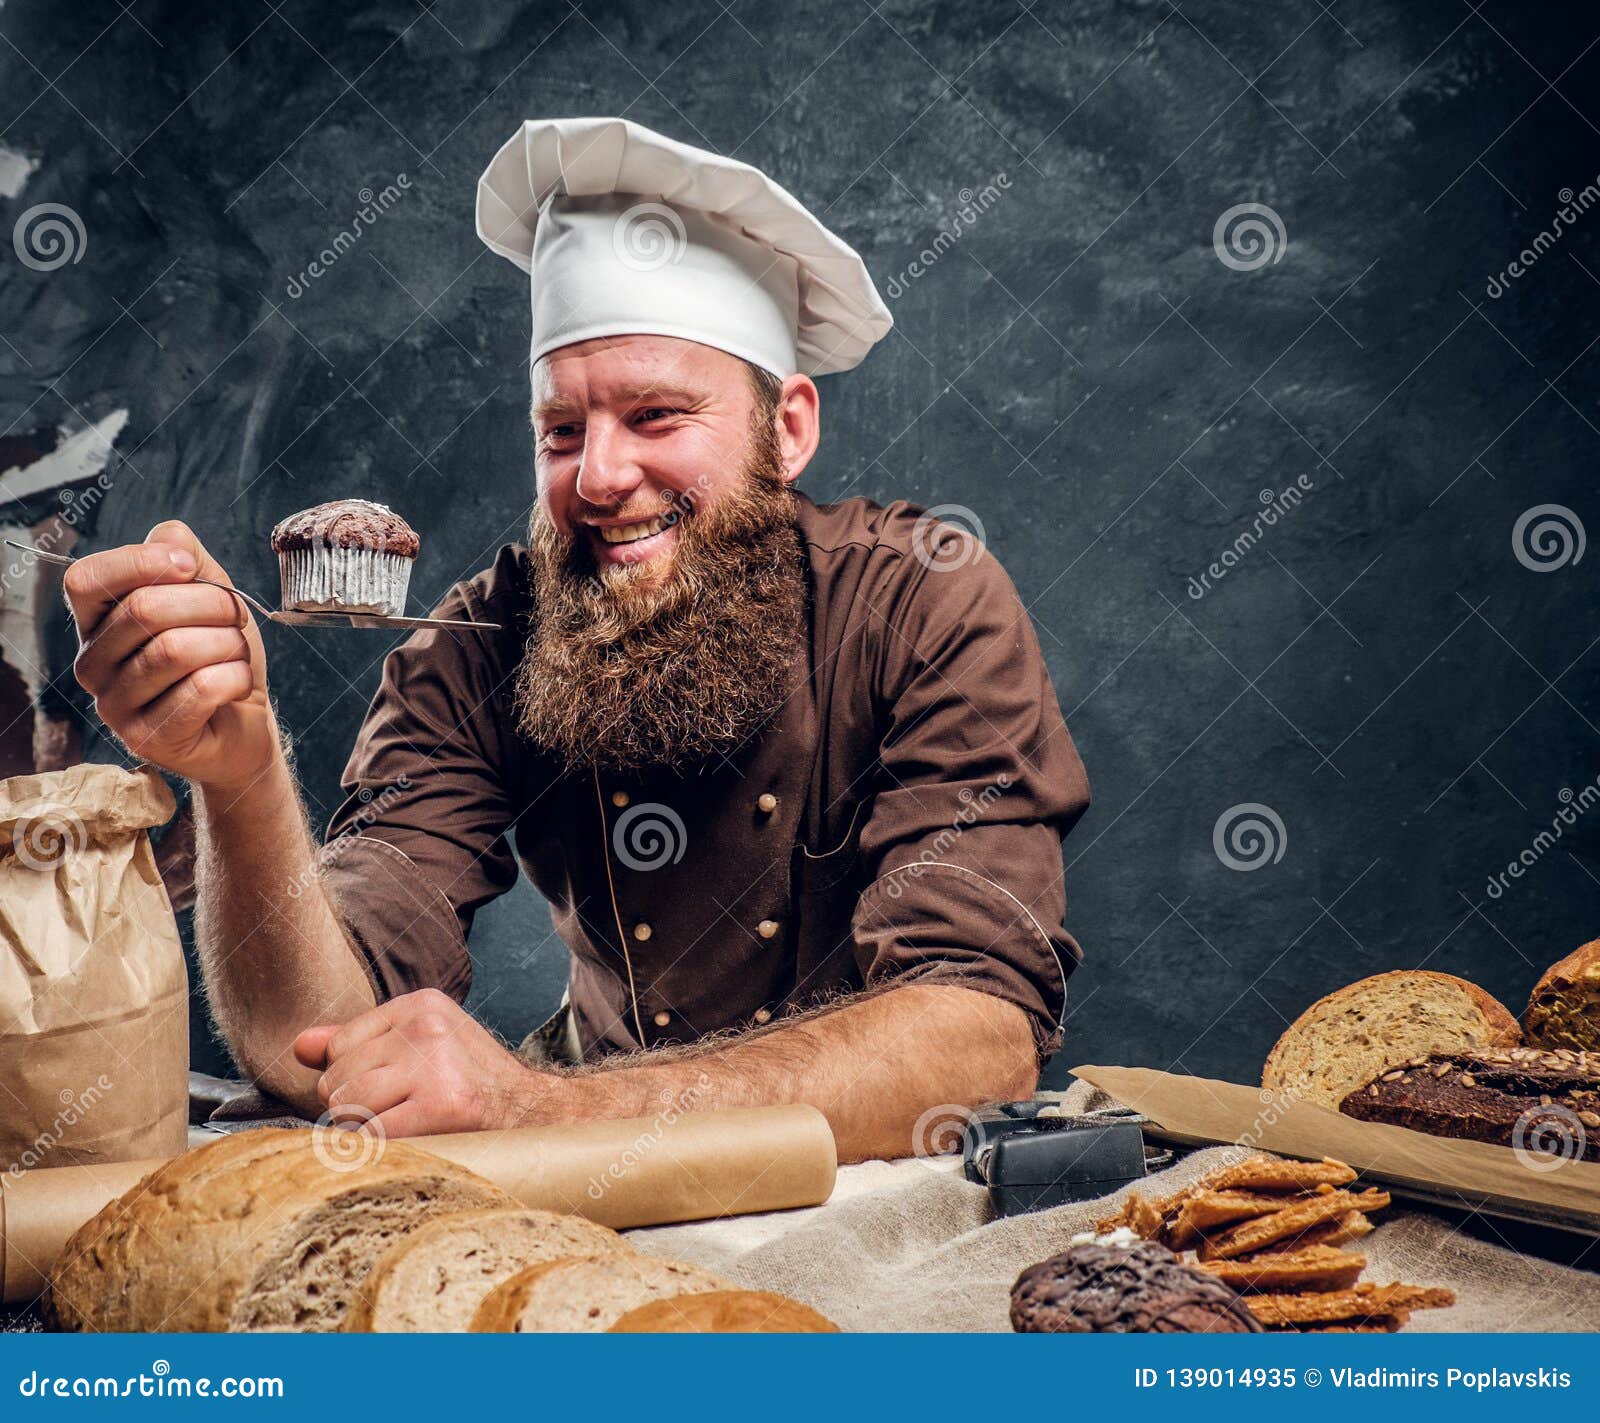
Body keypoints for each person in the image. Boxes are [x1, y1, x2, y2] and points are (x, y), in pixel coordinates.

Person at [65, 118, 1090, 1163]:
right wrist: (238, 778)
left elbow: (977, 1034)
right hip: (592, 1166)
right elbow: (316, 1042)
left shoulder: (923, 603)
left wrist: (535, 1110)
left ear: (787, 430)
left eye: (653, 415)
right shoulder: (479, 641)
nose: (595, 478)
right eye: (562, 431)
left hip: (862, 1167)